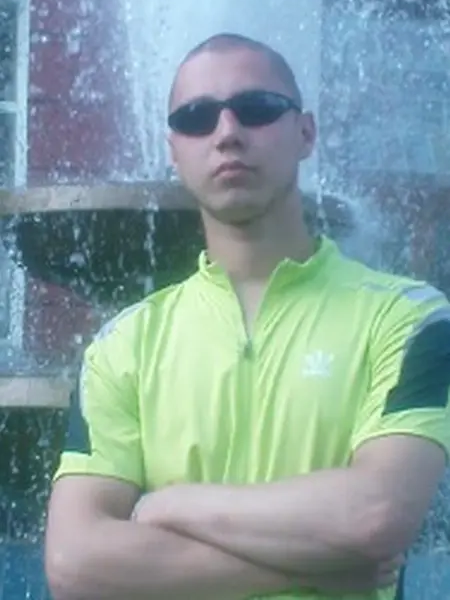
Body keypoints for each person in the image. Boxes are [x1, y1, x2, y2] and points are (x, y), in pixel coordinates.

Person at [45, 33, 450, 600]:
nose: (227, 133)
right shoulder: (123, 344)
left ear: (305, 133)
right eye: (197, 118)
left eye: (256, 108)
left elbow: (376, 514)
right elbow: (74, 564)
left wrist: (169, 505)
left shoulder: (408, 319)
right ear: (173, 150)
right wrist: (317, 565)